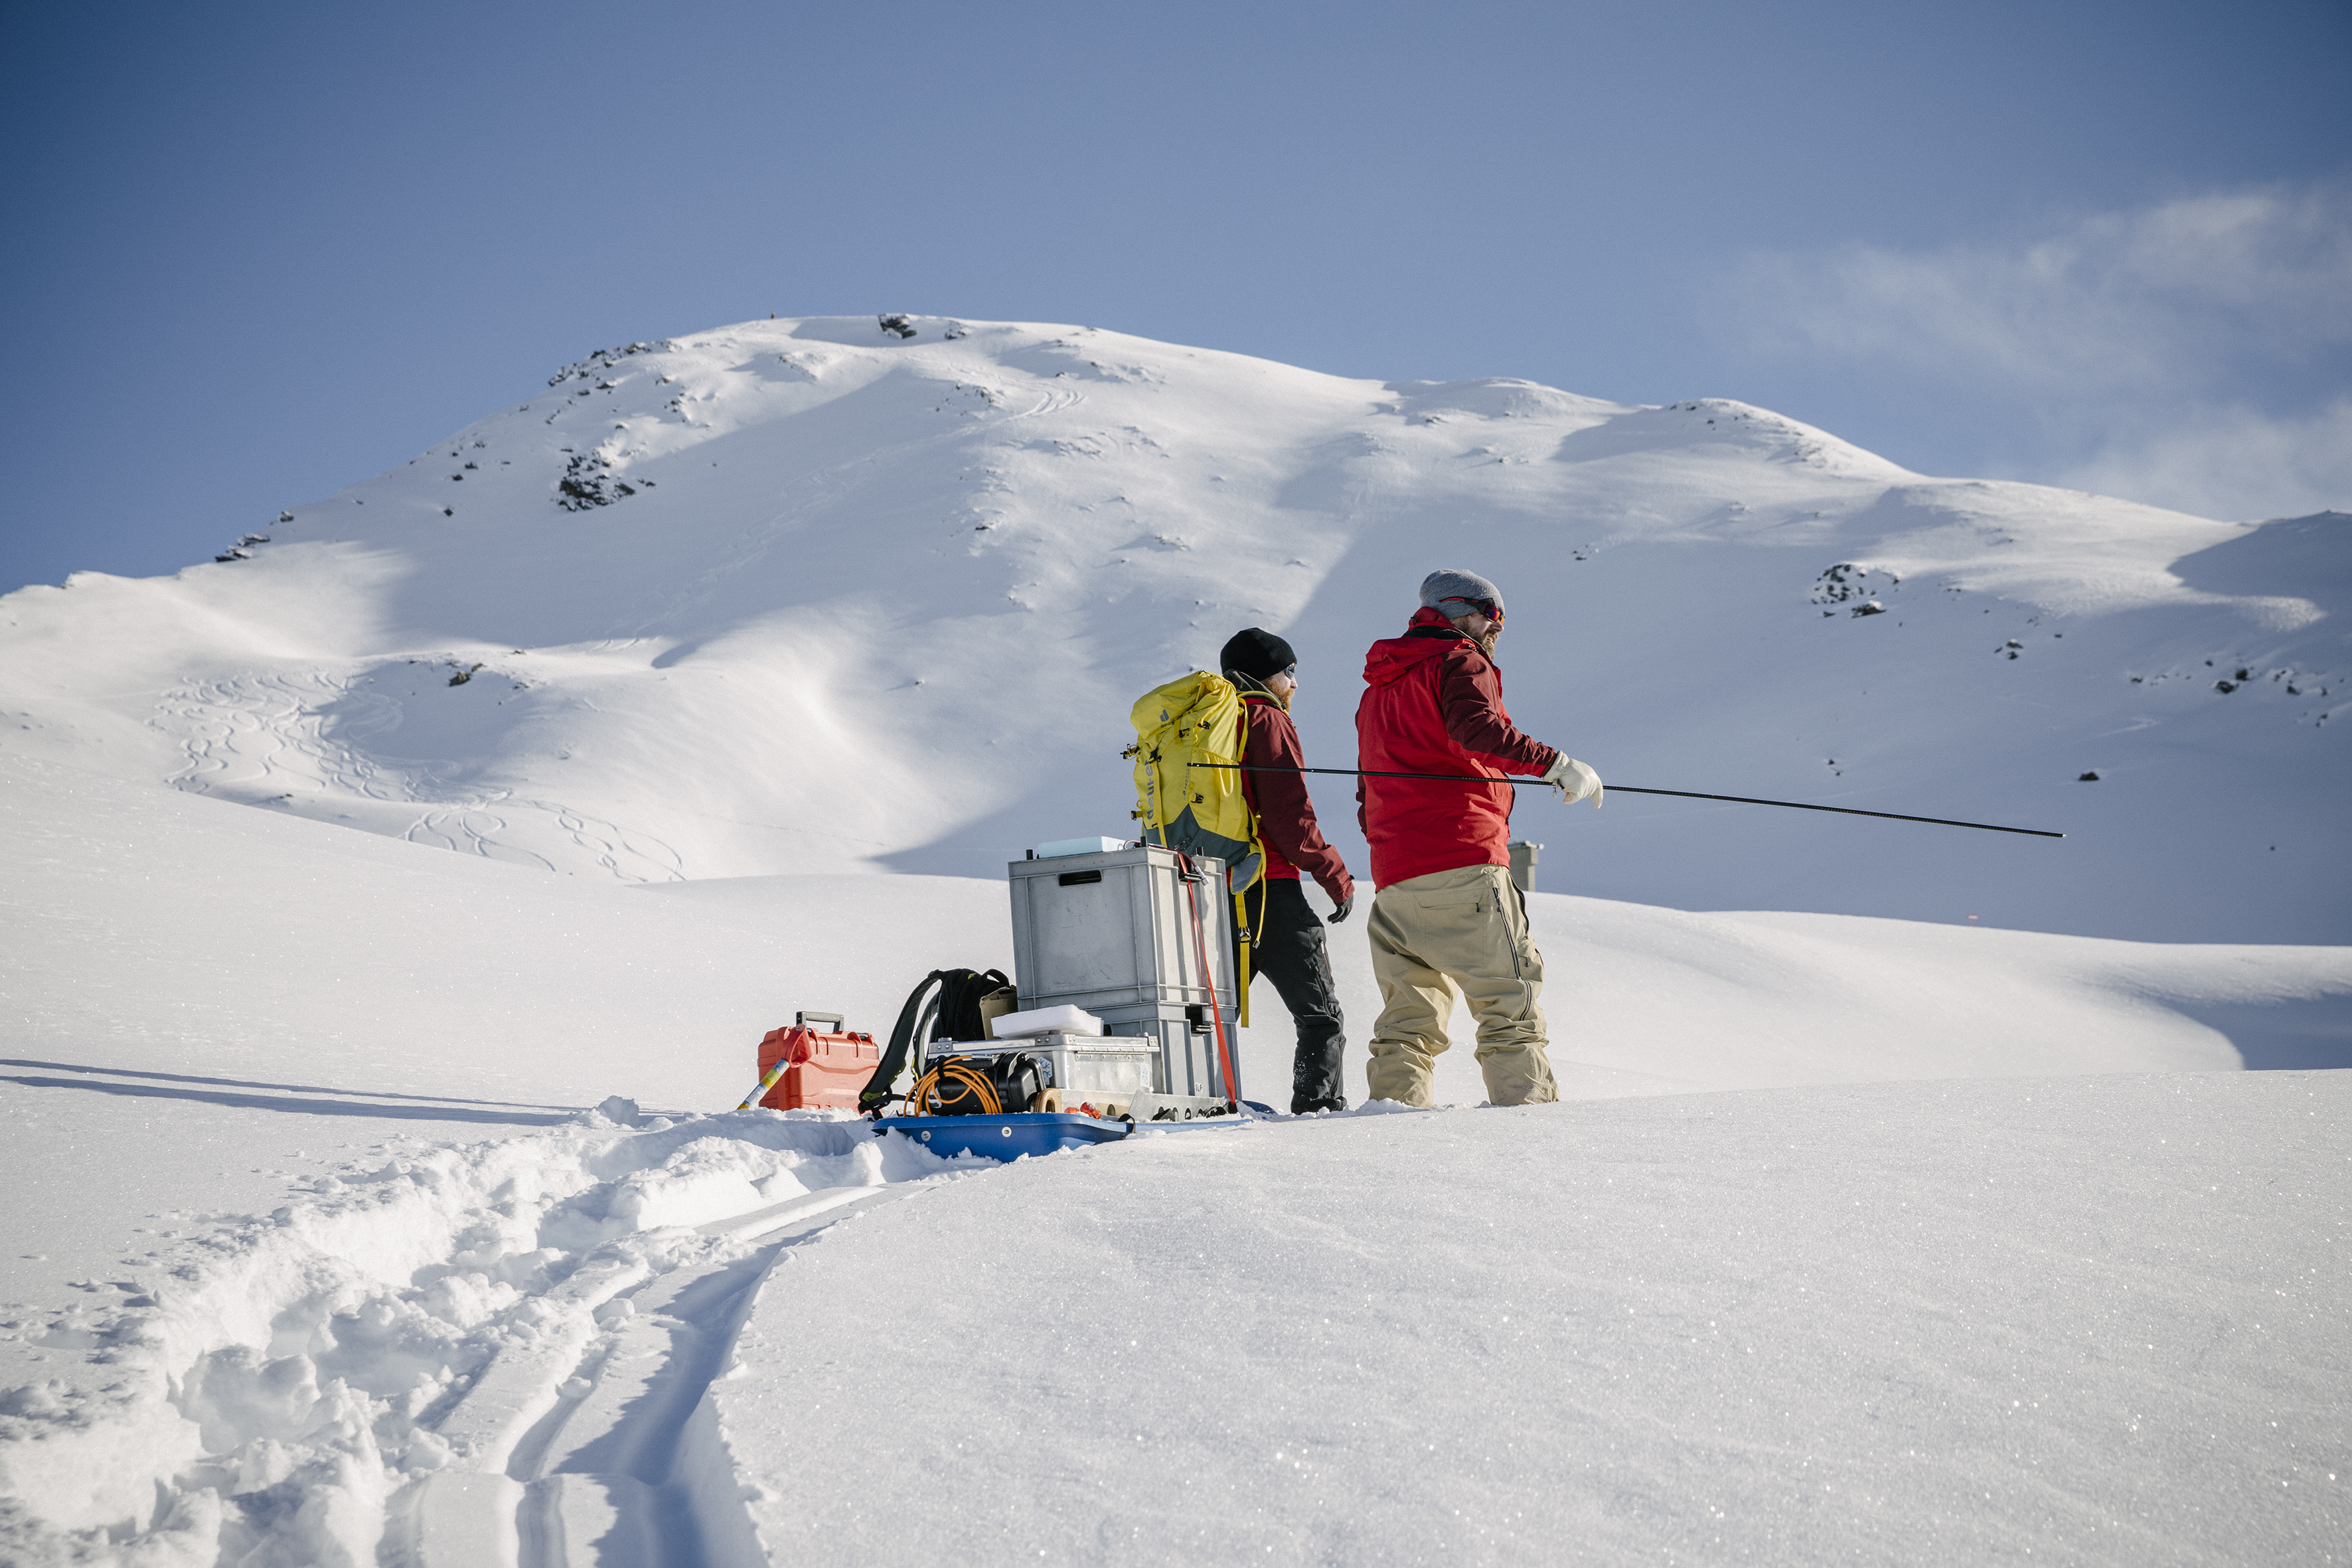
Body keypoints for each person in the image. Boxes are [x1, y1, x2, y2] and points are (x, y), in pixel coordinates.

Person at [1353, 570, 1602, 1107]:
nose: (1497, 630)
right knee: (1508, 1008)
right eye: (1493, 617)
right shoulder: (1459, 660)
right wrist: (1555, 765)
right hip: (1465, 860)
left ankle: (1385, 1131)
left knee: (1406, 1024)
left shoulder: (1378, 689)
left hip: (1394, 878)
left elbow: (1364, 787)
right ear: (1460, 611)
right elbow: (1479, 731)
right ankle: (1528, 1130)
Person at [1220, 627, 1357, 1114]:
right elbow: (1289, 816)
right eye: (1289, 672)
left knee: (1207, 1014)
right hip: (1269, 891)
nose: (1295, 684)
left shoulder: (1213, 723)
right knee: (1321, 1018)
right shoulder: (1265, 719)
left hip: (1207, 893)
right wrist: (1334, 875)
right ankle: (1317, 1113)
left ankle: (1197, 1102)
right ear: (1266, 676)